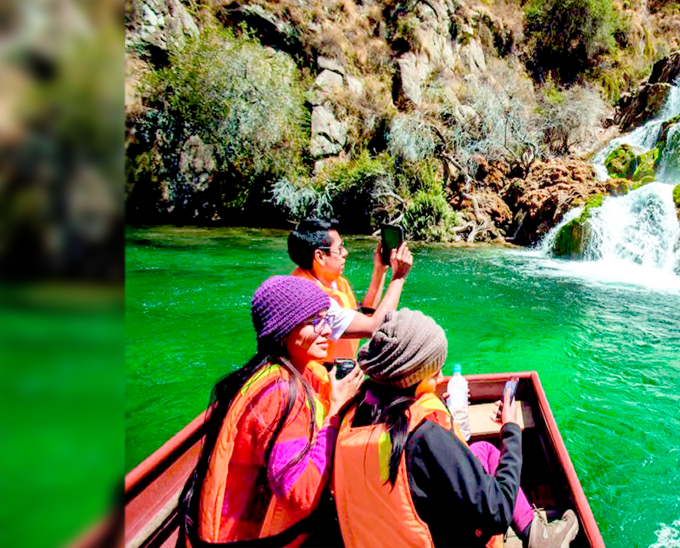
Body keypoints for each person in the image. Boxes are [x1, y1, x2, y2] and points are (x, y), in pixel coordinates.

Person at [331, 310, 580, 548]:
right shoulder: (423, 439)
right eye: (434, 372)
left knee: (483, 449)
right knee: (496, 480)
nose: (440, 379)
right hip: (443, 538)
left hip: (383, 534)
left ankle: (536, 533)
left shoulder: (353, 414)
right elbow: (499, 511)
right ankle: (541, 537)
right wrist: (510, 428)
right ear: (411, 377)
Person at [176, 276, 365, 547]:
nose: (326, 330)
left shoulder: (268, 371)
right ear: (284, 330)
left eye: (325, 318)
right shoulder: (280, 394)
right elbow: (300, 496)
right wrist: (334, 413)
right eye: (313, 321)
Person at [287, 217, 413, 363]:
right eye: (339, 248)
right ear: (320, 257)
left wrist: (380, 270)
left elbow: (365, 315)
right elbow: (374, 327)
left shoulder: (333, 281)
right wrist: (399, 277)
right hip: (323, 380)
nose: (345, 253)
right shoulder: (314, 299)